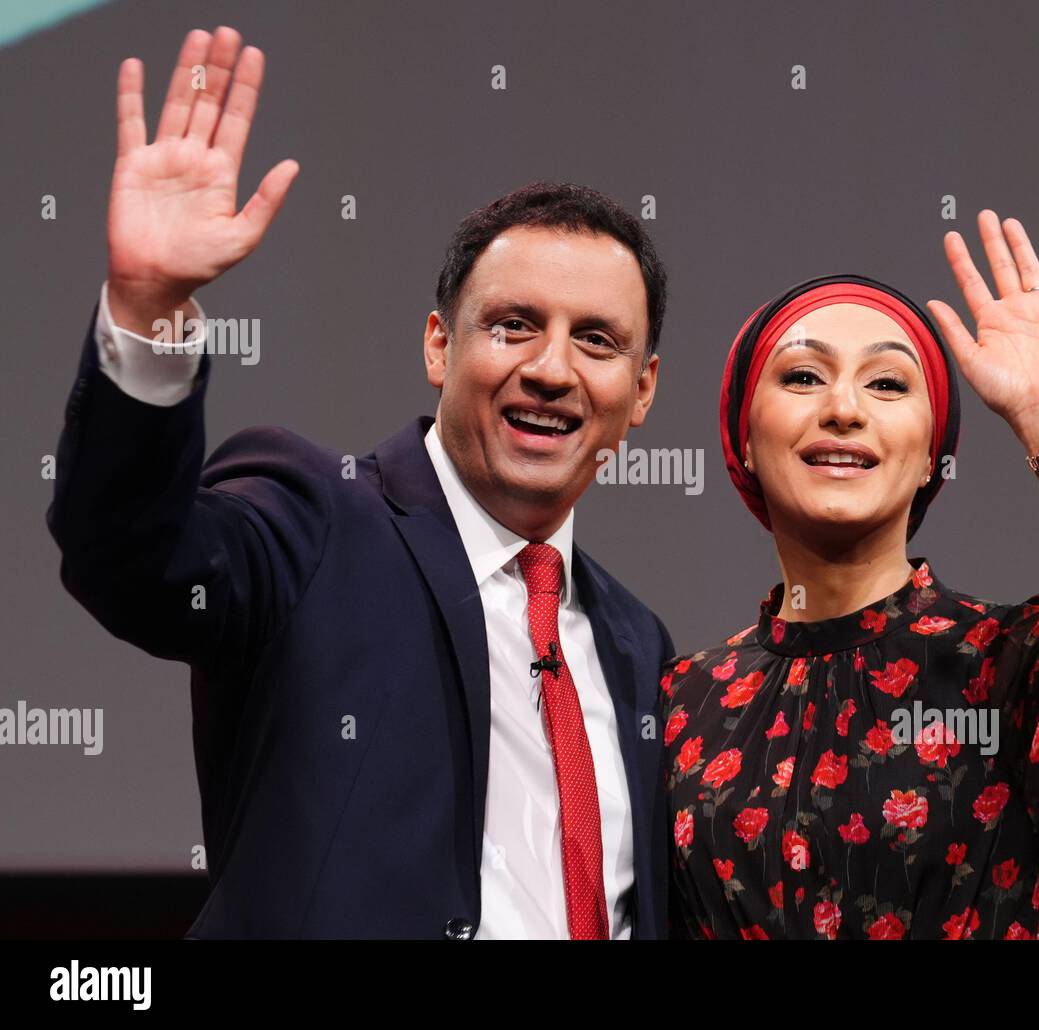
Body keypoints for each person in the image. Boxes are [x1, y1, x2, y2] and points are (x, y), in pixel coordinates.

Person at [47, 26, 674, 939]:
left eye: (597, 340)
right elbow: (126, 558)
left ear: (642, 391)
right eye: (512, 325)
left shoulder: (639, 647)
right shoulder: (313, 520)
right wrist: (148, 309)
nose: (550, 369)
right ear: (438, 345)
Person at [659, 214, 1039, 939]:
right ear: (744, 440)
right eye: (803, 376)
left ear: (928, 457)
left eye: (886, 383)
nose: (843, 409)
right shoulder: (681, 702)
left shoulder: (1005, 662)